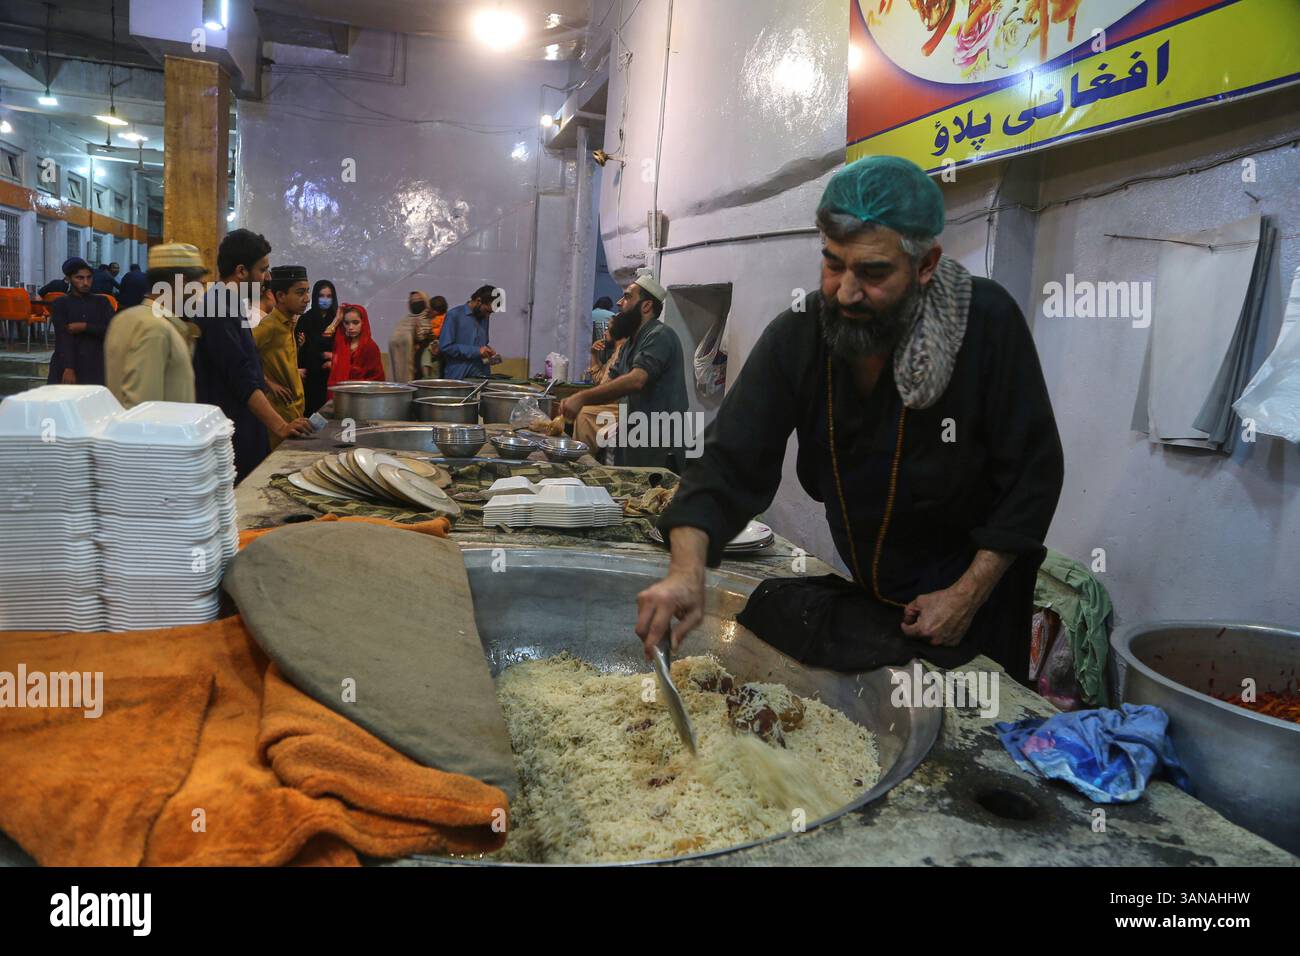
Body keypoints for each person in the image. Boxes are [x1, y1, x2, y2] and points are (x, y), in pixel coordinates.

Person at [634, 155, 1065, 686]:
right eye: (833, 263)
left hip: (971, 614)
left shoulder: (986, 323)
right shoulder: (804, 331)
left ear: (926, 264)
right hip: (875, 599)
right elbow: (730, 458)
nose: (846, 291)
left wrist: (964, 595)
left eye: (874, 272)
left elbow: (1033, 475)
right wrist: (686, 570)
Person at [192, 229, 311, 482]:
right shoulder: (217, 310)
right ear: (241, 271)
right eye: (262, 270)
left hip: (245, 428)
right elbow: (242, 378)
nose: (266, 278)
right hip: (234, 433)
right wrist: (281, 426)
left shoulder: (230, 305)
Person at [559, 272, 689, 470]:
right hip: (635, 438)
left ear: (646, 306)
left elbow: (636, 380)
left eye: (627, 297)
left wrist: (582, 398)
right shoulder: (630, 344)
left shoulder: (660, 335)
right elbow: (611, 383)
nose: (619, 303)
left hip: (659, 444)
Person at [103, 243, 202, 408]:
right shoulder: (156, 328)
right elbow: (143, 411)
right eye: (200, 286)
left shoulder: (125, 318)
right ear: (183, 283)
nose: (200, 295)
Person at [253, 265, 311, 446]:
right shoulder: (269, 325)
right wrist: (267, 382)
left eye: (307, 292)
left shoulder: (290, 324)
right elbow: (240, 358)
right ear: (280, 296)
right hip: (278, 416)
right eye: (300, 293)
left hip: (294, 409)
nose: (307, 299)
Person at [46, 257, 114, 386]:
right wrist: (69, 368)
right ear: (69, 279)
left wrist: (85, 327)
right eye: (80, 278)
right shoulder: (61, 304)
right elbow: (63, 337)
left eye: (89, 277)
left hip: (95, 363)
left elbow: (113, 330)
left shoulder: (102, 302)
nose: (86, 282)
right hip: (68, 361)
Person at [573, 322, 629, 451]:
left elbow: (607, 387)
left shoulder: (623, 352)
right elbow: (598, 379)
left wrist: (583, 398)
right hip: (612, 404)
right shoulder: (614, 354)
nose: (604, 333)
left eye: (607, 329)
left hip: (622, 406)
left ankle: (584, 461)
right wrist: (594, 354)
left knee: (584, 414)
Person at [438, 284, 502, 379]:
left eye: (491, 313)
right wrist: (477, 351)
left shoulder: (484, 318)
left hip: (480, 375)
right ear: (478, 301)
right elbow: (445, 347)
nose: (488, 316)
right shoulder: (454, 315)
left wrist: (488, 352)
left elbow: (482, 344)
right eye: (487, 311)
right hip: (458, 375)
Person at [296, 279, 338, 415]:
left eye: (329, 296)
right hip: (311, 377)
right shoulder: (305, 319)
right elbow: (302, 351)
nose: (325, 299)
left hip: (332, 376)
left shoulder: (337, 320)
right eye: (321, 296)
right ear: (315, 297)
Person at [326, 304, 385, 389]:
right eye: (346, 323)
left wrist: (341, 366)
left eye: (355, 323)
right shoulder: (343, 343)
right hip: (342, 393)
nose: (350, 327)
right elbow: (324, 338)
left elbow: (377, 378)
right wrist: (337, 320)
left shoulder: (370, 346)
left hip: (363, 394)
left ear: (363, 322)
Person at [388, 291, 433, 382]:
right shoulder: (403, 322)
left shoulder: (432, 320)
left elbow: (425, 338)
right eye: (413, 300)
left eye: (419, 300)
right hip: (401, 365)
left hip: (421, 366)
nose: (416, 303)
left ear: (426, 301)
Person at [417, 295, 448, 379]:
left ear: (435, 311)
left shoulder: (439, 319)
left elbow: (440, 330)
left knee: (426, 355)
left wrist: (431, 333)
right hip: (437, 345)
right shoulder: (446, 317)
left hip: (436, 343)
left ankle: (426, 376)